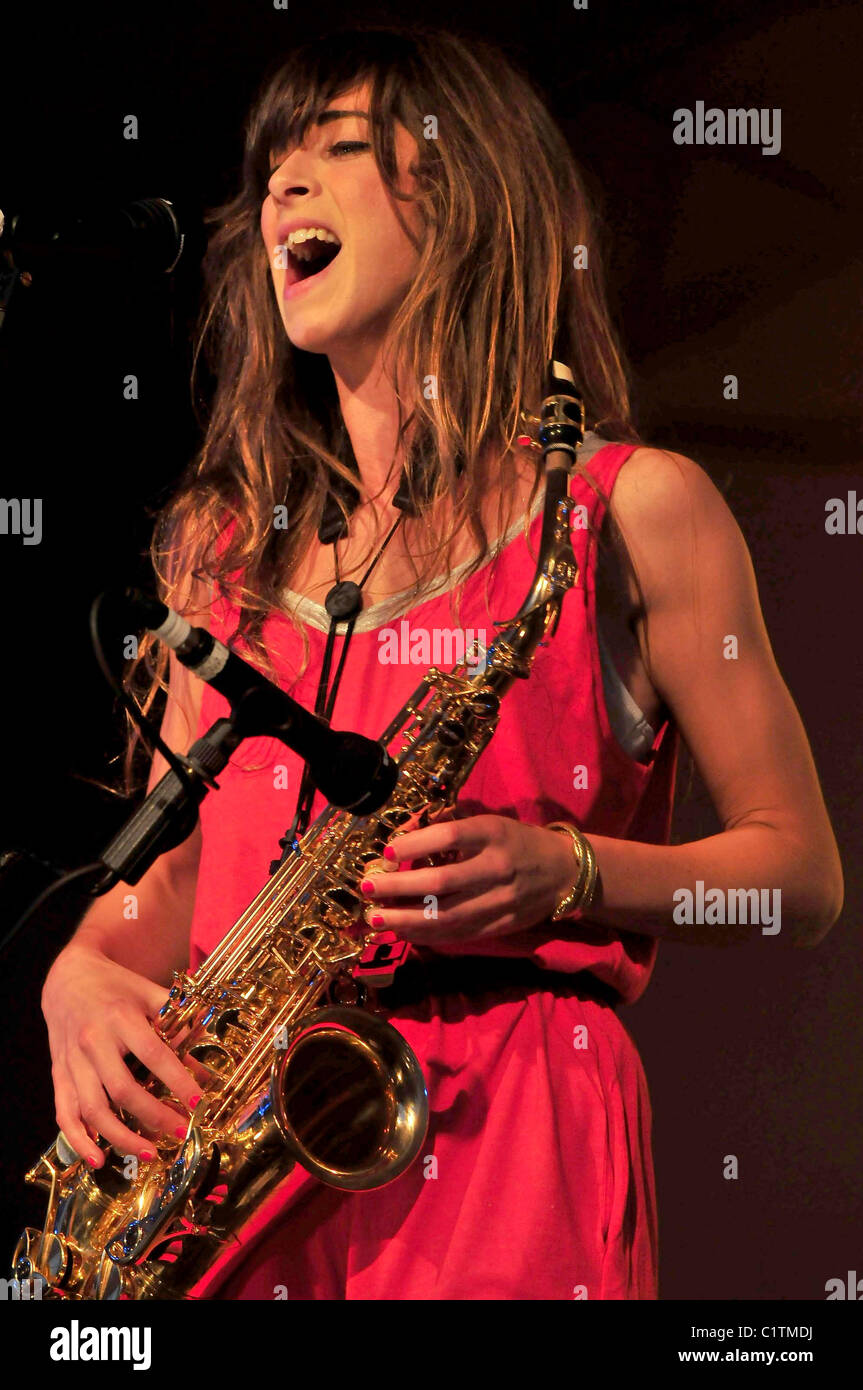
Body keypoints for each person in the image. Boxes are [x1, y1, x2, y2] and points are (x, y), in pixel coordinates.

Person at [40, 26, 843, 1300]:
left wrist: (570, 870)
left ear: (464, 198)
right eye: (271, 168)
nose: (280, 190)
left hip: (507, 1145)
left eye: (336, 149)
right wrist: (85, 969)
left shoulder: (634, 510)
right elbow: (171, 882)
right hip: (246, 1161)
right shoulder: (222, 551)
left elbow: (796, 877)